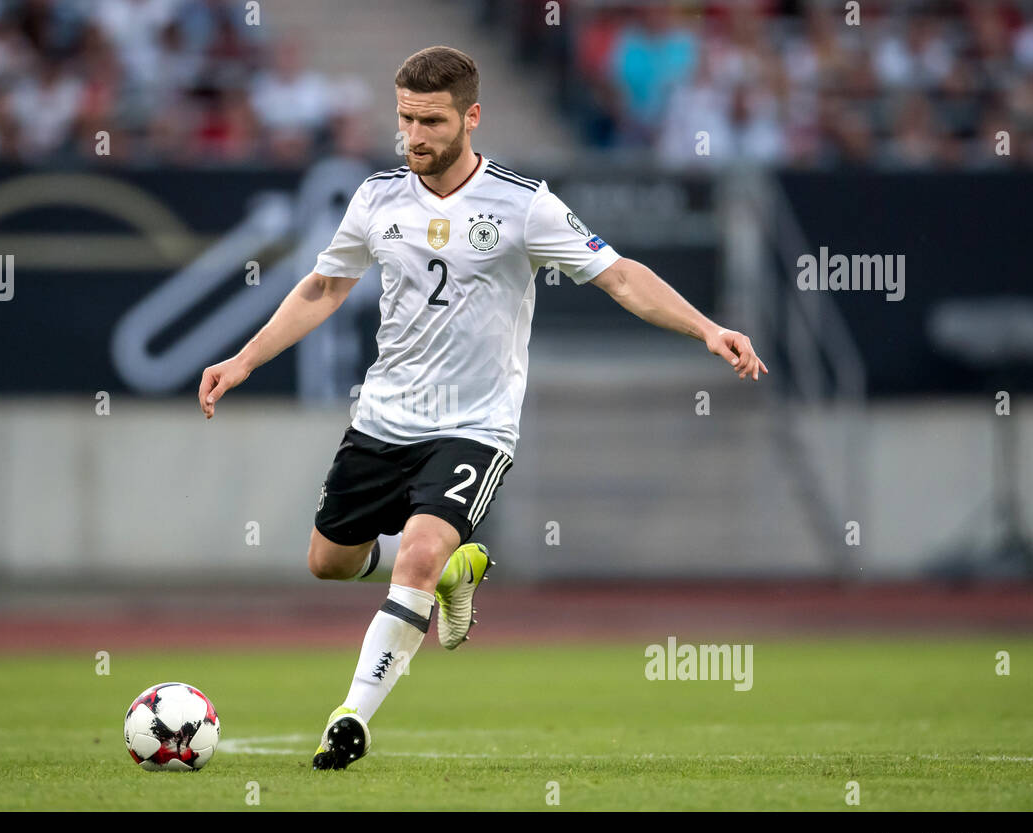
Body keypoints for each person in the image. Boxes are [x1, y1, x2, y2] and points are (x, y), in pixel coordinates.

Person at [198, 46, 767, 770]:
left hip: (474, 424)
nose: (414, 136)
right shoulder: (377, 197)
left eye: (431, 121)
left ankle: (350, 717)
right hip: (383, 415)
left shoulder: (523, 203)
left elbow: (620, 275)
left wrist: (707, 328)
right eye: (404, 118)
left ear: (471, 117)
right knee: (328, 561)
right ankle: (456, 573)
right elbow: (324, 287)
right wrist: (244, 359)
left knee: (422, 550)